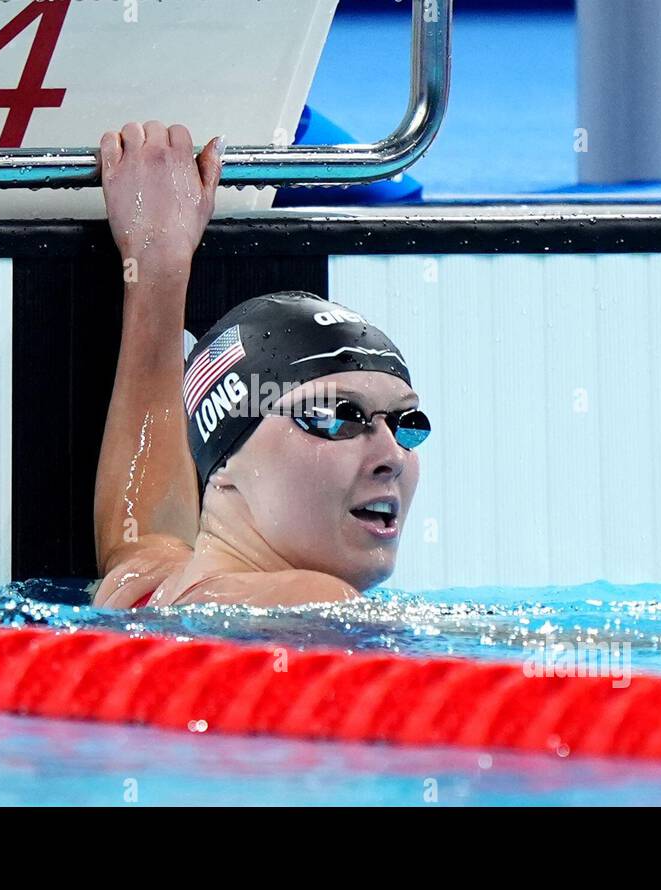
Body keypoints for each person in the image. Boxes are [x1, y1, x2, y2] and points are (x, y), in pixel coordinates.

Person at [92, 121, 430, 609]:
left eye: (406, 424)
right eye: (333, 418)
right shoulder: (317, 604)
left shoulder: (140, 587)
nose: (392, 457)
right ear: (224, 465)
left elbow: (139, 536)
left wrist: (157, 259)